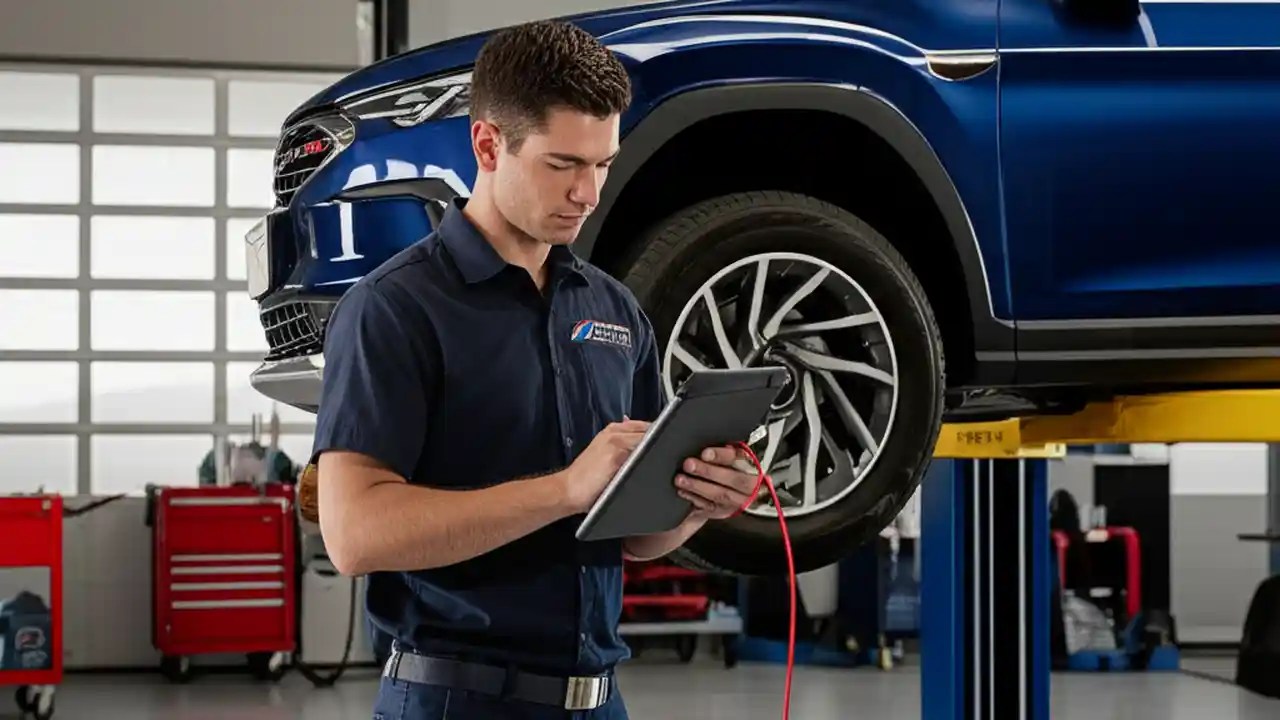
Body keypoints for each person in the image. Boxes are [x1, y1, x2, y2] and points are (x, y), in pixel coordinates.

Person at [311, 20, 765, 720]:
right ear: (488, 144)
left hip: (599, 701)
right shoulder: (394, 309)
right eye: (563, 165)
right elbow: (355, 535)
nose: (588, 192)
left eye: (603, 164)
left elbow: (637, 536)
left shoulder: (614, 310)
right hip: (454, 700)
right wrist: (564, 488)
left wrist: (699, 499)